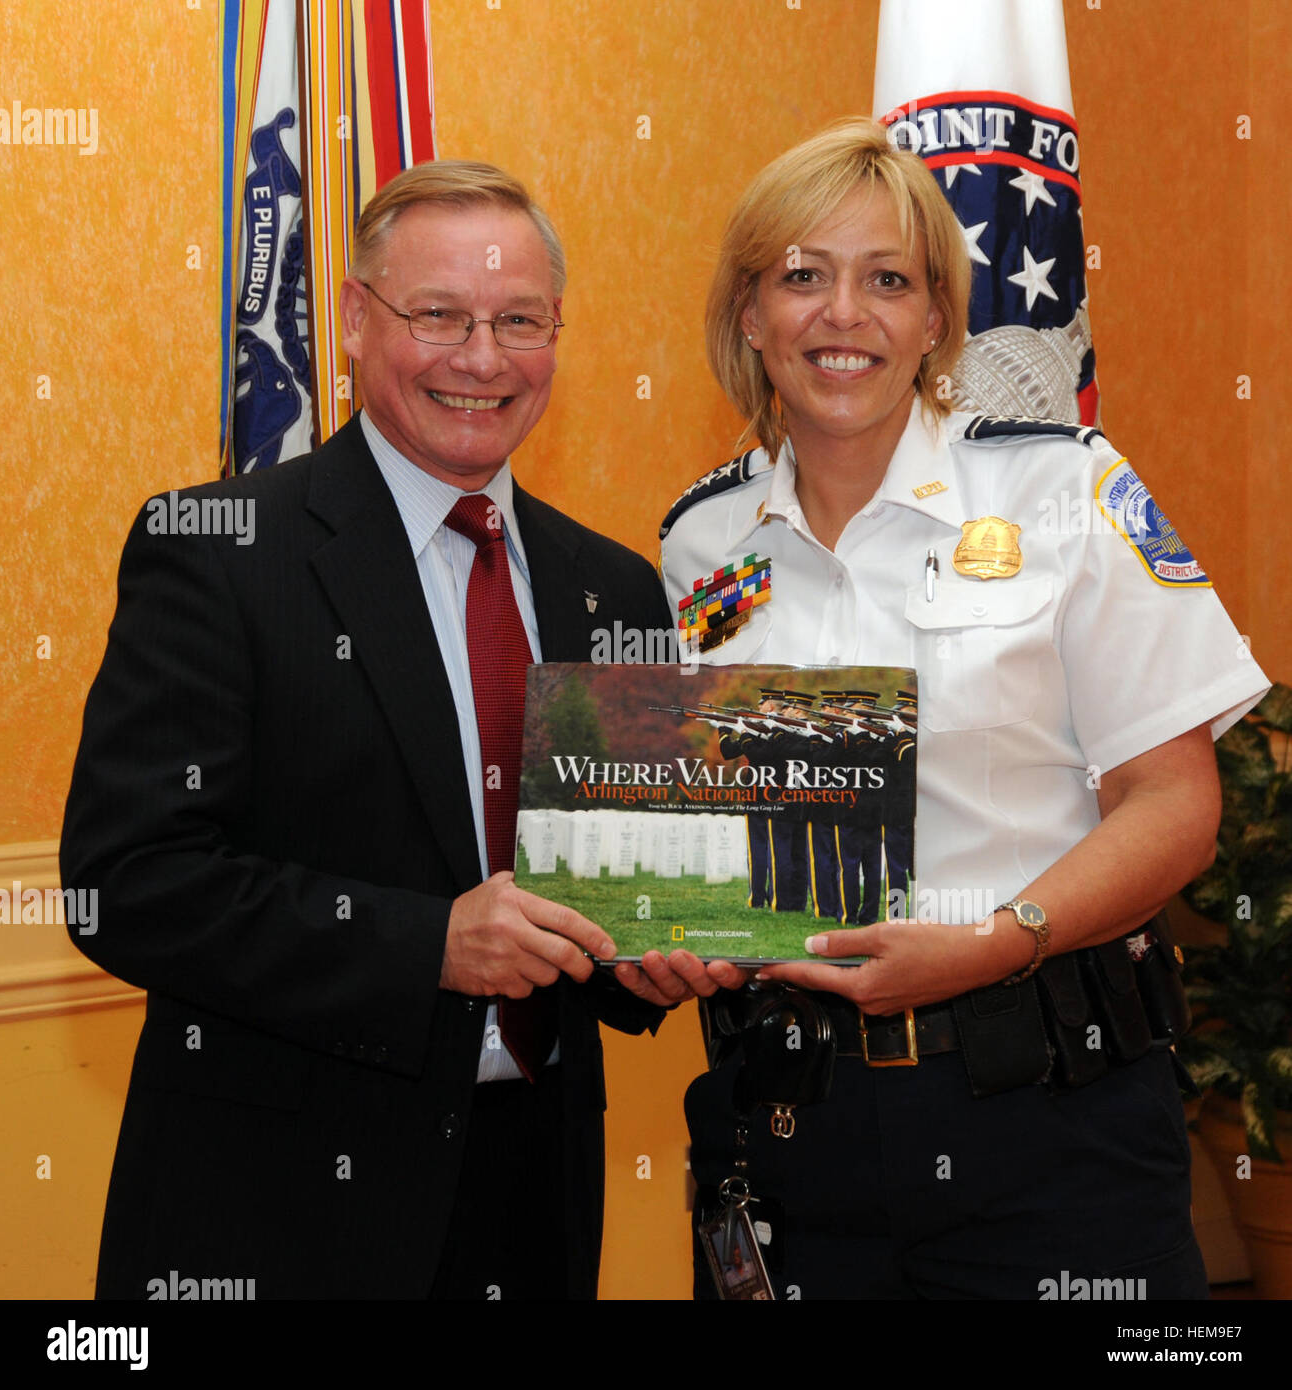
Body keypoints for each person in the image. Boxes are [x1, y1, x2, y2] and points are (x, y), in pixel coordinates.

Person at [61, 158, 729, 1300]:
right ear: (359, 322)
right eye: (439, 316)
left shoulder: (610, 590)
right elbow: (128, 879)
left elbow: (617, 916)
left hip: (535, 1201)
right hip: (276, 1215)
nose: (482, 359)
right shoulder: (219, 552)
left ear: (557, 334)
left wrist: (656, 958)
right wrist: (425, 944)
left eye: (518, 319)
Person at [659, 117, 1270, 1299]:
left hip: (1046, 1128)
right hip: (796, 1133)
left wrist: (992, 942)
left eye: (887, 280)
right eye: (802, 277)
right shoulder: (699, 542)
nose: (844, 314)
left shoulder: (1063, 487)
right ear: (749, 314)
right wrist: (666, 934)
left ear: (935, 319)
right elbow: (717, 829)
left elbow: (1173, 805)